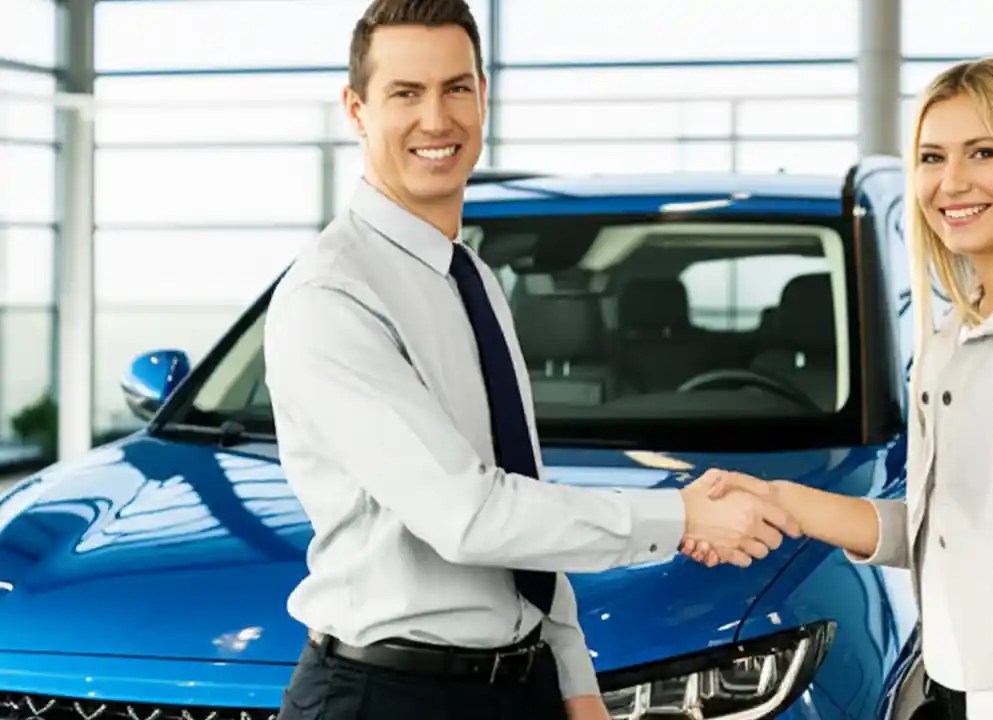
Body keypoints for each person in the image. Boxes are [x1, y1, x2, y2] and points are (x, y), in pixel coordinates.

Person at [262, 2, 800, 719]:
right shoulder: (333, 295)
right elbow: (467, 515)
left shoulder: (471, 278)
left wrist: (573, 676)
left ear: (483, 95)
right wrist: (681, 516)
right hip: (388, 698)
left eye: (456, 88)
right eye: (405, 93)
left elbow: (519, 488)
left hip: (520, 688)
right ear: (356, 109)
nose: (436, 119)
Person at [686, 57, 993, 720]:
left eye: (983, 152)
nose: (952, 183)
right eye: (932, 157)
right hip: (957, 687)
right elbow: (937, 530)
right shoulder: (958, 333)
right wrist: (782, 500)